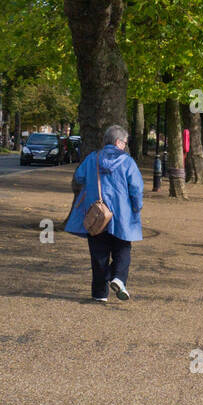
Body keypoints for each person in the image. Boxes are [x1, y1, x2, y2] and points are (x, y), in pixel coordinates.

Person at [65, 125, 144, 303]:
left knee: (98, 252)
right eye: (124, 142)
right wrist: (137, 207)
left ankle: (100, 293)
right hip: (122, 215)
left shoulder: (93, 158)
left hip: (96, 213)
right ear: (118, 142)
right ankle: (118, 278)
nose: (125, 145)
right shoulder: (127, 161)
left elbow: (78, 177)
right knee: (123, 249)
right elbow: (136, 188)